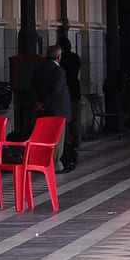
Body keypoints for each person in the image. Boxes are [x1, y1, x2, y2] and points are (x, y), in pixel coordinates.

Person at [35, 47, 72, 170]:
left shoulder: (40, 69)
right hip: (58, 110)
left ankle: (44, 162)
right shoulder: (59, 71)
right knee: (58, 140)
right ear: (58, 57)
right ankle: (56, 165)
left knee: (47, 138)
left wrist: (41, 102)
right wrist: (47, 103)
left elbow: (34, 86)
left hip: (44, 110)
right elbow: (56, 91)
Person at [55, 29, 83, 171]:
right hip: (76, 90)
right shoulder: (76, 57)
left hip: (66, 92)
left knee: (66, 119)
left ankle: (67, 142)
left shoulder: (62, 60)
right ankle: (77, 140)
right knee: (76, 118)